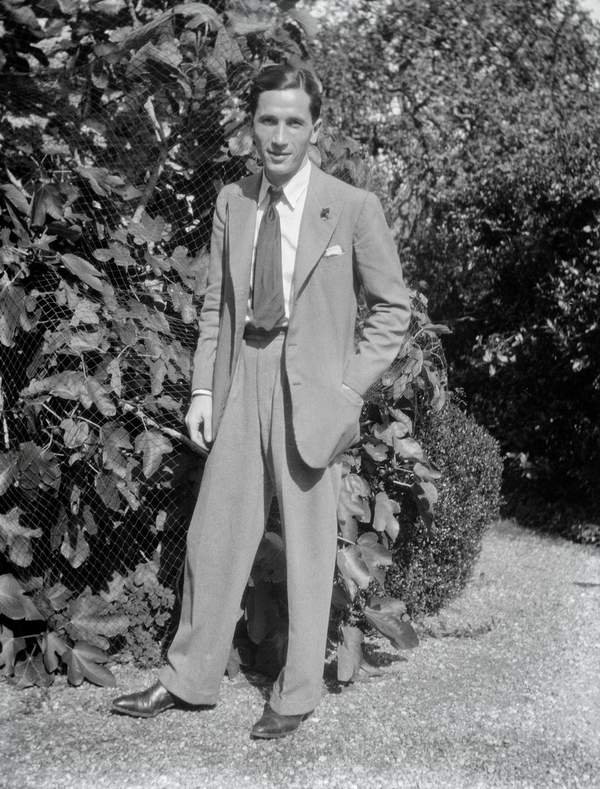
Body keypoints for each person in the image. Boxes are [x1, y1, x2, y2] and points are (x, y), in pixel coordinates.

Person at [112, 64, 411, 738]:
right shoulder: (232, 202)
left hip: (313, 389)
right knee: (213, 531)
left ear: (316, 129)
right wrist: (203, 388)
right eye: (267, 120)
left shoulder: (353, 207)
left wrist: (347, 388)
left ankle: (297, 691)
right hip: (243, 371)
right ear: (252, 125)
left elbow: (393, 310)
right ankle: (189, 675)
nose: (278, 136)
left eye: (293, 122)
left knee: (308, 543)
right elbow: (217, 309)